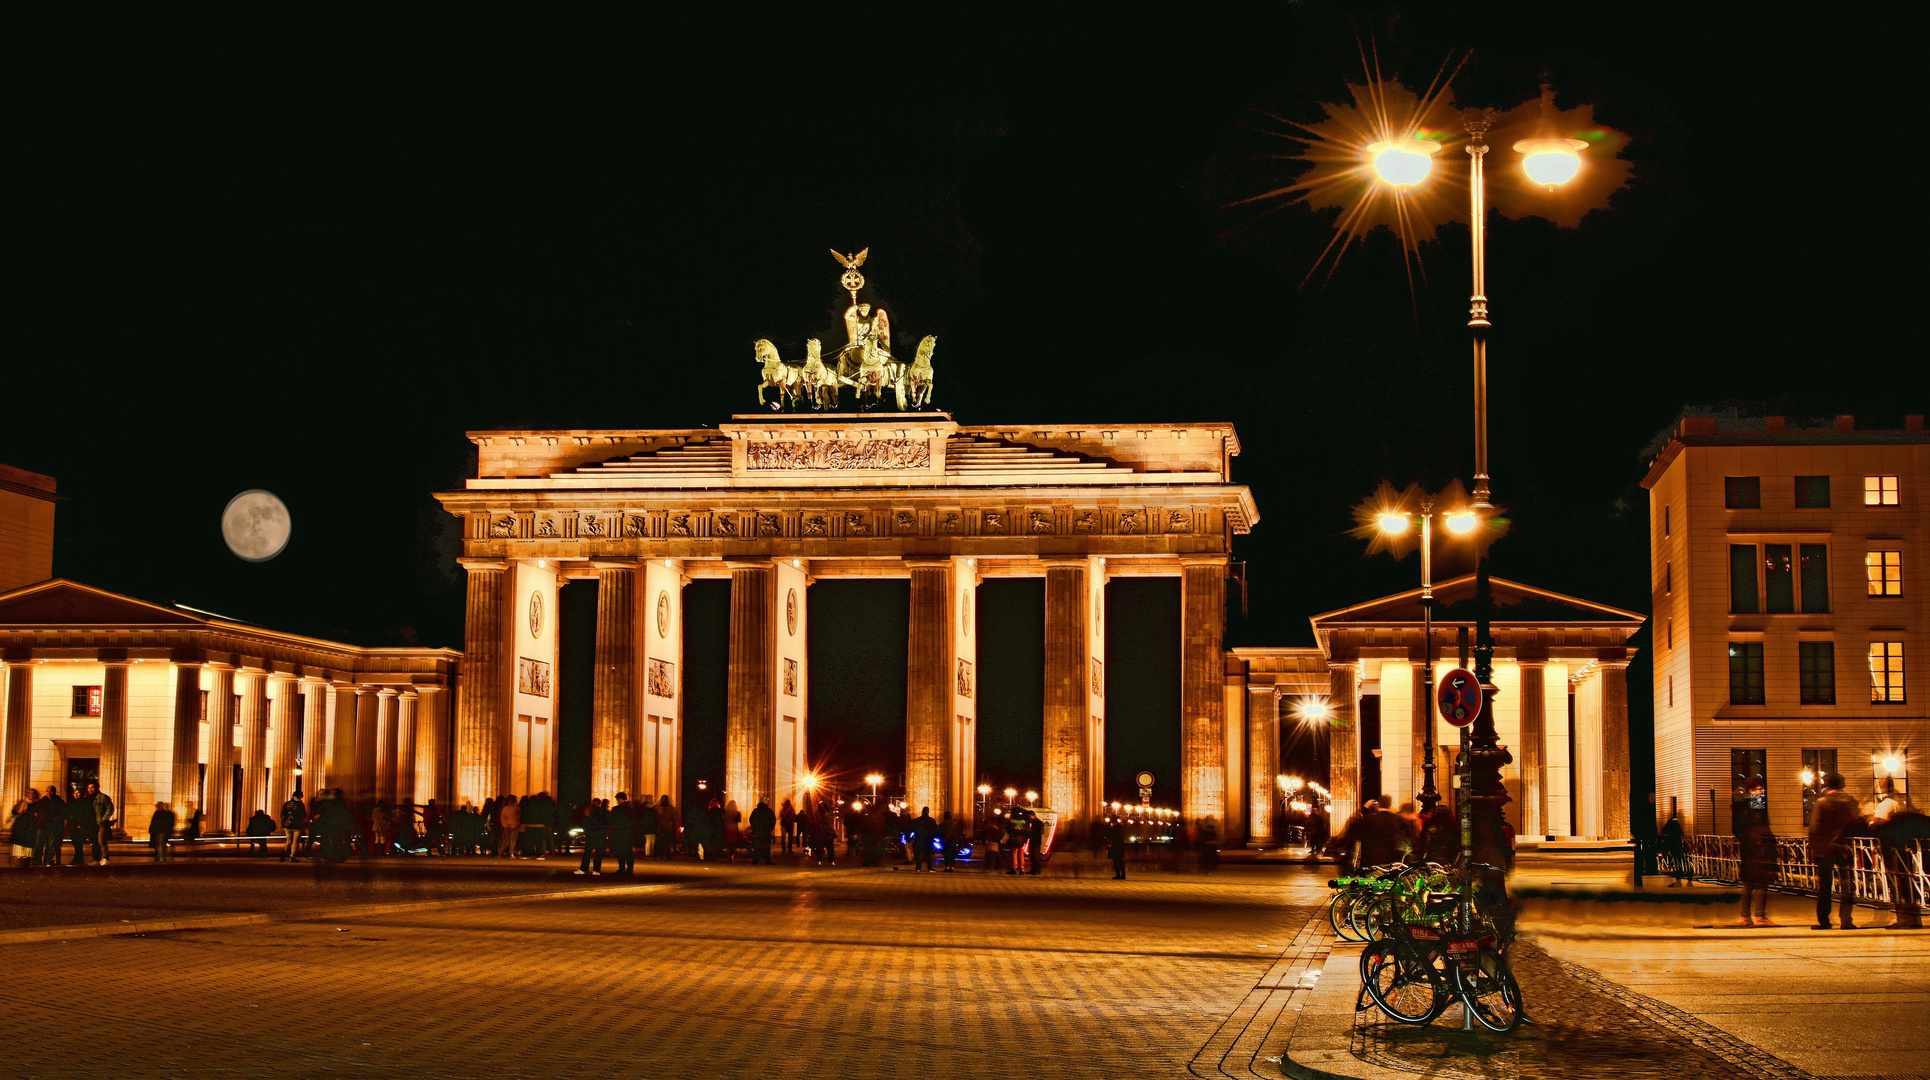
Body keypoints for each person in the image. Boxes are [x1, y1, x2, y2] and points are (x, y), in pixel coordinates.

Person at [1808, 773, 1862, 930]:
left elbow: (1814, 827)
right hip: (1844, 848)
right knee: (1847, 884)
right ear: (1842, 785)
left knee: (1825, 886)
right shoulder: (1850, 802)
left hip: (1824, 849)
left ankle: (1824, 920)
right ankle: (1846, 919)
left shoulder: (1822, 803)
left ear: (1827, 785)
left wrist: (1815, 845)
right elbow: (1855, 822)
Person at [1872, 778, 1926, 930]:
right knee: (1909, 882)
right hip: (1908, 848)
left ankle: (1904, 919)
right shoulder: (1905, 801)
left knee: (1898, 883)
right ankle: (1915, 919)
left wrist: (1871, 822)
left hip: (1893, 849)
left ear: (1882, 788)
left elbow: (1877, 824)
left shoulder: (1886, 804)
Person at [1731, 776, 1777, 926]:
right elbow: (1756, 825)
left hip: (1753, 847)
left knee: (1753, 882)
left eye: (1762, 789)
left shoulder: (1745, 805)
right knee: (1755, 882)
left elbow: (1739, 828)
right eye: (1758, 789)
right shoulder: (1753, 805)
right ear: (1751, 790)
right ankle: (1756, 916)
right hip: (1755, 847)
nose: (1762, 791)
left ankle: (1750, 916)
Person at [66, 782, 101, 866]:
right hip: (75, 825)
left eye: (78, 793)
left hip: (83, 824)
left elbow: (85, 813)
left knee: (87, 842)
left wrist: (81, 823)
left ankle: (88, 859)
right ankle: (78, 858)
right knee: (77, 842)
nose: (76, 795)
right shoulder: (73, 803)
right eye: (75, 793)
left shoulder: (85, 801)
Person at [576, 798, 610, 875]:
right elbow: (608, 822)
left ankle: (583, 868)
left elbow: (584, 822)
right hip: (601, 833)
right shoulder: (604, 812)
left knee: (588, 851)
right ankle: (596, 870)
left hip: (591, 833)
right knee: (599, 852)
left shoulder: (588, 810)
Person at [87, 781, 115, 865]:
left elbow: (110, 808)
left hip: (101, 823)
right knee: (94, 841)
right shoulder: (89, 798)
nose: (90, 789)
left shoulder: (103, 797)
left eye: (92, 787)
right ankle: (96, 858)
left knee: (101, 840)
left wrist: (104, 819)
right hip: (92, 823)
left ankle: (105, 857)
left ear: (97, 788)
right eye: (89, 788)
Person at [9, 788, 38, 867]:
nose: (32, 795)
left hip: (31, 826)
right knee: (22, 842)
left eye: (33, 794)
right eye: (30, 793)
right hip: (22, 826)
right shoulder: (24, 802)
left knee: (29, 843)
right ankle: (21, 858)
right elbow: (16, 811)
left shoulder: (36, 804)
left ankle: (27, 858)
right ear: (28, 794)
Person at [1659, 810, 1688, 886]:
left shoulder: (1670, 824)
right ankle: (1682, 874)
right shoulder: (1677, 825)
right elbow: (1681, 833)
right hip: (1678, 845)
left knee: (1676, 860)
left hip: (1673, 845)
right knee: (1680, 859)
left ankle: (1678, 875)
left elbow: (1663, 831)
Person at [610, 792, 637, 876]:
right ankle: (630, 869)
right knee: (628, 851)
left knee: (620, 851)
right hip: (629, 832)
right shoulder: (633, 809)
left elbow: (613, 821)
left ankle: (622, 868)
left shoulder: (617, 809)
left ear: (619, 799)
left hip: (619, 832)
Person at [280, 791, 309, 861]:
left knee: (288, 841)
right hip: (297, 825)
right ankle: (292, 856)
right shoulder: (300, 804)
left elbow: (282, 814)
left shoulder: (286, 804)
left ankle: (282, 855)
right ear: (300, 796)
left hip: (287, 825)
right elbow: (303, 814)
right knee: (296, 841)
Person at [908, 806, 938, 873]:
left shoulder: (917, 820)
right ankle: (930, 868)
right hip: (929, 839)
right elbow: (935, 830)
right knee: (929, 854)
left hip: (919, 839)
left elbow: (912, 828)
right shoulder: (932, 820)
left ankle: (918, 868)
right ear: (928, 812)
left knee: (919, 854)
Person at [749, 798, 777, 865]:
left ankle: (756, 860)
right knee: (767, 846)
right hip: (766, 830)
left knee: (757, 845)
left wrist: (755, 828)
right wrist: (770, 828)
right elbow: (773, 820)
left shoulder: (755, 811)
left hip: (758, 830)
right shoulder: (769, 811)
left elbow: (751, 819)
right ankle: (767, 860)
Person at [498, 793, 523, 858]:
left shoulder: (505, 809)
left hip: (507, 825)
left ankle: (501, 851)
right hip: (515, 825)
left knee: (506, 839)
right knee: (513, 840)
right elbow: (518, 818)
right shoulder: (517, 809)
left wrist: (505, 825)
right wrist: (515, 825)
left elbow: (503, 818)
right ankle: (511, 853)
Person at [655, 796, 679, 860]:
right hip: (667, 826)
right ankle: (666, 854)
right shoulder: (671, 808)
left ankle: (661, 854)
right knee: (667, 842)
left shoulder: (657, 808)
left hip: (661, 827)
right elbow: (674, 818)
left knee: (662, 842)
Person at [1106, 815, 1128, 880]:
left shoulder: (1115, 829)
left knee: (1116, 861)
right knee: (1121, 860)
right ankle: (1123, 875)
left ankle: (1118, 874)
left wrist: (1109, 828)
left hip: (1116, 845)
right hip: (1121, 845)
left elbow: (1111, 836)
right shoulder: (1122, 828)